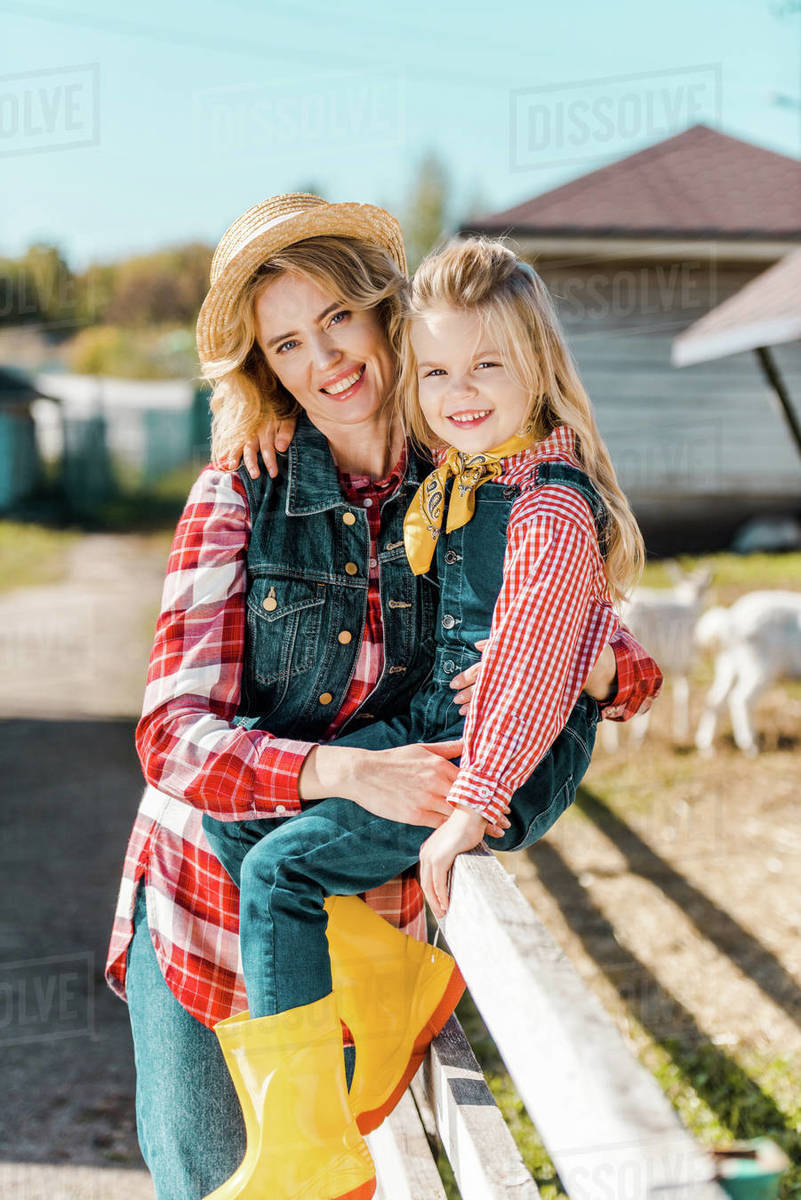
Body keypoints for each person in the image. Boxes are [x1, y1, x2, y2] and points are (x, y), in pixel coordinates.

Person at [104, 194, 660, 1200]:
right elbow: (171, 738)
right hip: (205, 886)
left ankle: (381, 981)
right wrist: (340, 769)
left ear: (386, 313)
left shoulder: (465, 472)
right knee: (210, 1179)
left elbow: (608, 652)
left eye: (338, 320)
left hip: (339, 903)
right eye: (286, 346)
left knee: (311, 1183)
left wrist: (585, 660)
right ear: (263, 369)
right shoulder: (239, 491)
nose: (325, 360)